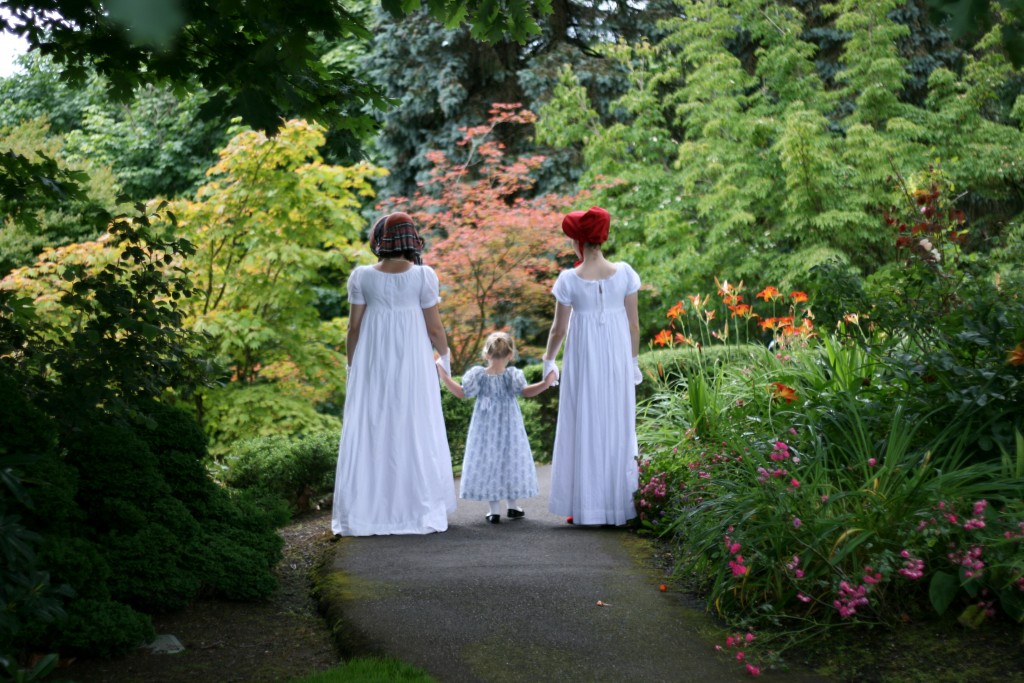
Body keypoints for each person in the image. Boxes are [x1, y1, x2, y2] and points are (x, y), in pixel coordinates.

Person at [331, 212, 457, 536]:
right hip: (412, 364)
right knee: (413, 428)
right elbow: (434, 327)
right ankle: (415, 509)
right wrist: (444, 357)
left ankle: (369, 512)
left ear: (380, 240)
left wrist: (351, 368)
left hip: (371, 365)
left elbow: (353, 328)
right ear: (412, 240)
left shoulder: (361, 276)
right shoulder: (424, 276)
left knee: (374, 429)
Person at [541, 206, 643, 526]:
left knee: (583, 423)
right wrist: (633, 362)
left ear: (578, 242)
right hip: (616, 359)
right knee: (616, 425)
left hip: (583, 359)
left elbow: (558, 330)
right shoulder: (625, 273)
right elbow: (633, 326)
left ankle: (586, 505)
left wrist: (547, 360)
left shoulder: (569, 279)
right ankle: (617, 506)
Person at [436, 332, 556, 523]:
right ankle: (513, 506)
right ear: (510, 354)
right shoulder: (513, 376)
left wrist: (443, 375)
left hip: (485, 428)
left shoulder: (478, 375)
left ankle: (494, 510)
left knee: (488, 459)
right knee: (511, 458)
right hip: (509, 427)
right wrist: (546, 383)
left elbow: (461, 392)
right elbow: (526, 391)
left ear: (486, 354)